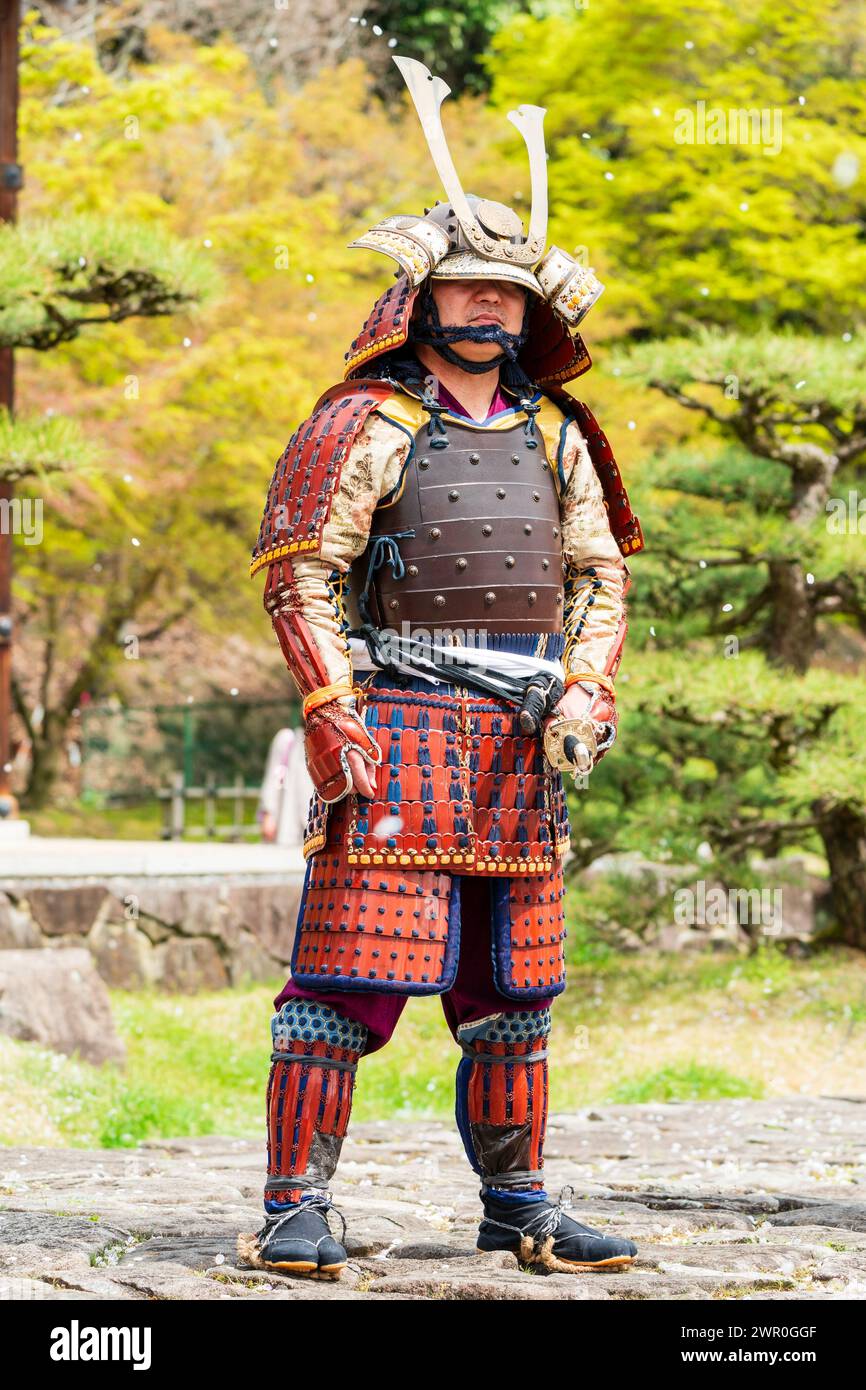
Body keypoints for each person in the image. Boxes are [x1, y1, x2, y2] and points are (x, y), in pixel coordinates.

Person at [239, 56, 644, 1281]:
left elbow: (599, 576)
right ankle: (291, 1210)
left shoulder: (562, 433)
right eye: (466, 288)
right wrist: (328, 706)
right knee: (342, 988)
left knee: (511, 994)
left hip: (524, 738)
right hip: (399, 725)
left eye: (506, 297)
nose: (487, 311)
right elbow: (295, 567)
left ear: (531, 314)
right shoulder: (363, 423)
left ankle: (516, 1203)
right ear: (422, 296)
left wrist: (587, 682)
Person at [257, 725, 315, 848]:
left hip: (314, 829)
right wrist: (269, 813)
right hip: (288, 823)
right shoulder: (288, 741)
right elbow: (276, 779)